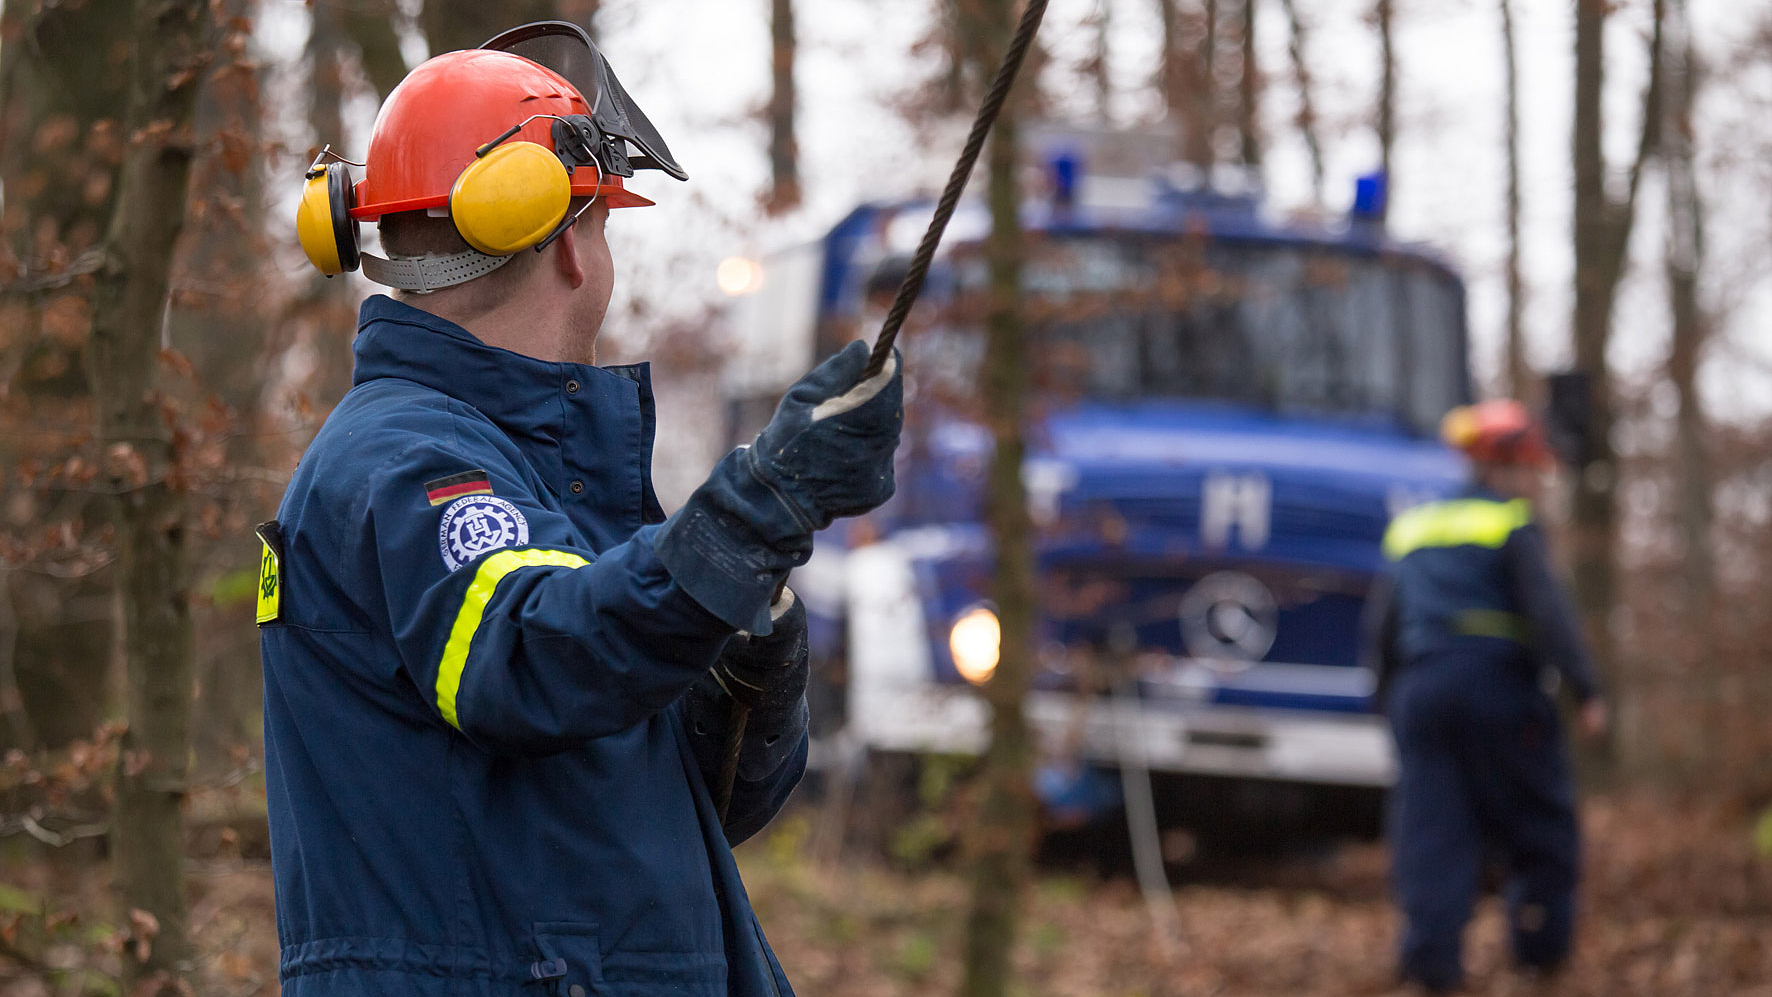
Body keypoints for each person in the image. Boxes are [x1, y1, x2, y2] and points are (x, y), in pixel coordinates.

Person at [260, 22, 901, 997]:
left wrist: (741, 646)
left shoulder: (519, 476)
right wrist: (760, 505)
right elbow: (532, 656)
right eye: (602, 227)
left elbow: (664, 799)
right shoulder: (406, 463)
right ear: (568, 247)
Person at [1373, 399, 1608, 993]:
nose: (1537, 480)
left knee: (1433, 828)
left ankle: (1431, 965)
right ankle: (1540, 952)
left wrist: (1386, 702)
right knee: (1542, 820)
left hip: (1421, 690)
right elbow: (1549, 615)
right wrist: (1586, 690)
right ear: (1504, 466)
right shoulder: (1511, 525)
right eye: (1533, 467)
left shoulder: (1413, 528)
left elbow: (1379, 631)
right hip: (1497, 687)